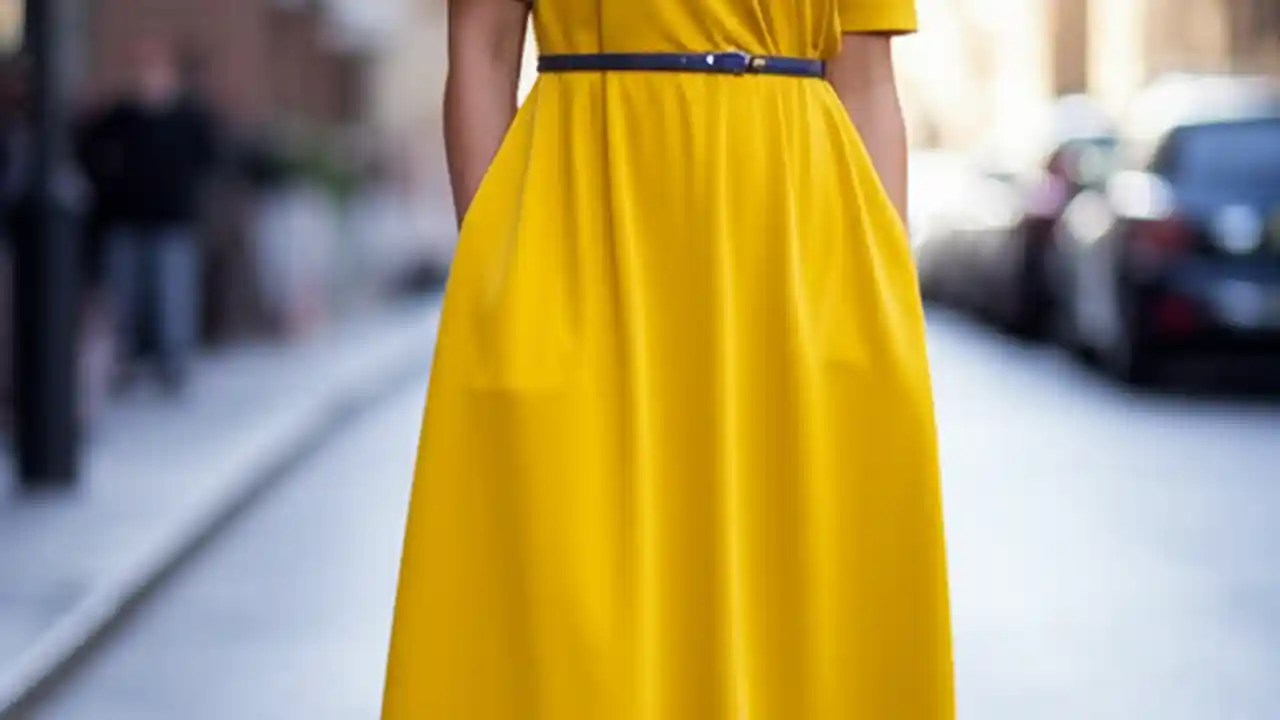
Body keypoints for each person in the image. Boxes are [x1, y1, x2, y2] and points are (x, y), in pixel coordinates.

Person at [383, 0, 953, 717]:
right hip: (582, 221)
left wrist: (886, 296)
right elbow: (482, 47)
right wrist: (496, 268)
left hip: (797, 242)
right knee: (568, 597)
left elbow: (868, 82)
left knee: (799, 591)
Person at [78, 38, 217, 393]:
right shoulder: (122, 115)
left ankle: (172, 364)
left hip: (173, 220)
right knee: (125, 296)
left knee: (173, 295)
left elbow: (210, 159)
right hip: (127, 219)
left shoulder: (189, 116)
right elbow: (88, 148)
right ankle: (125, 360)